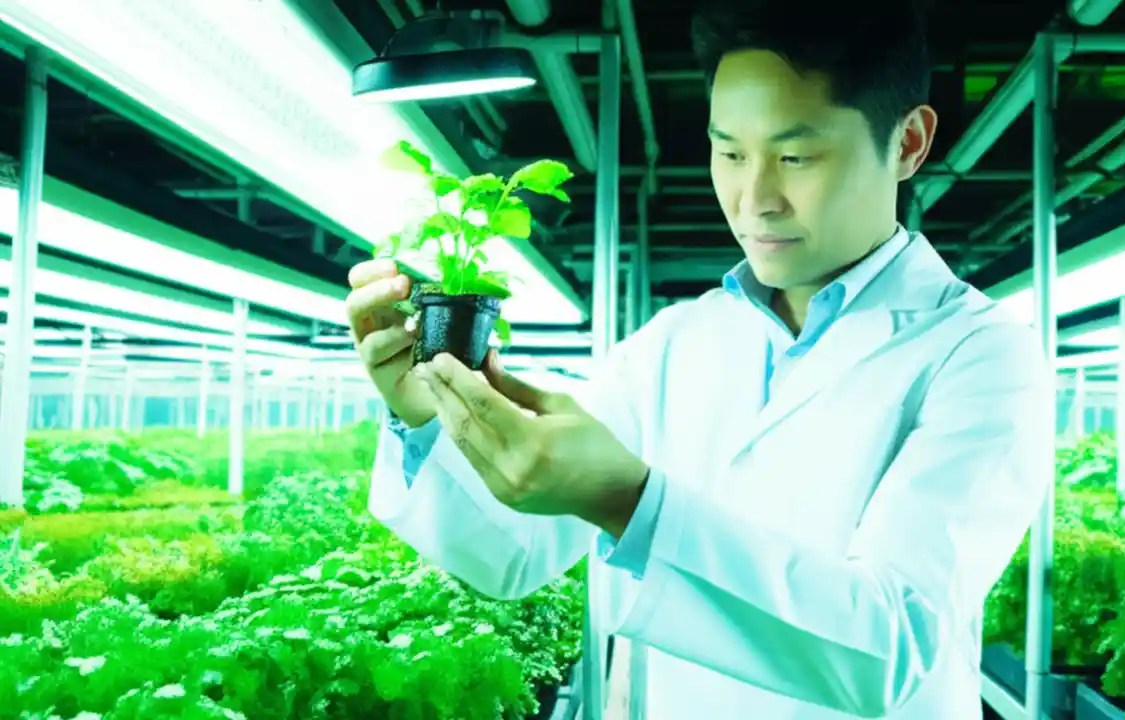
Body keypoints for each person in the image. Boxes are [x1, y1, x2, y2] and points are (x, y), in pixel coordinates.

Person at [345, 1, 1054, 717]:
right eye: (730, 153)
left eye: (795, 156)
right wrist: (425, 416)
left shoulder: (982, 355)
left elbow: (891, 643)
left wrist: (627, 501)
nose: (754, 200)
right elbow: (511, 553)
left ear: (908, 142)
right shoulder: (676, 343)